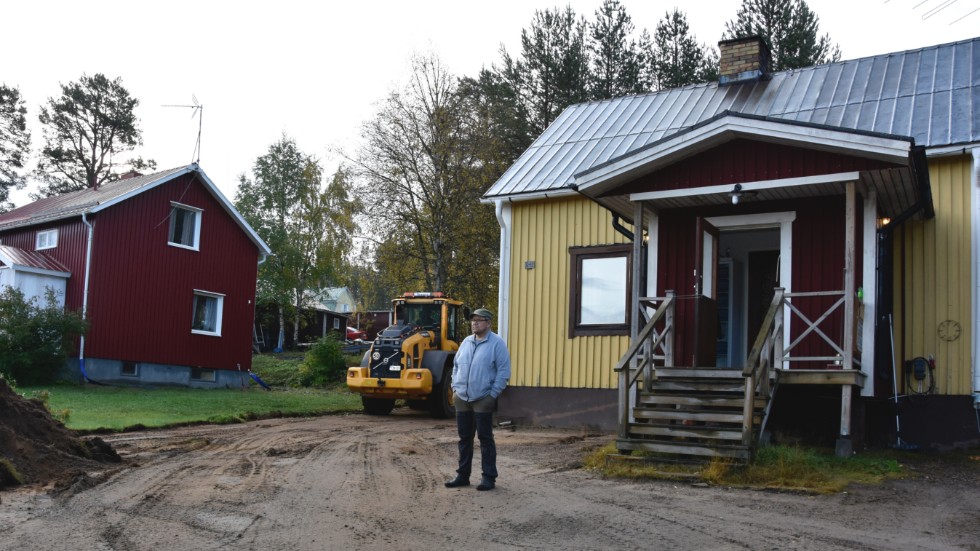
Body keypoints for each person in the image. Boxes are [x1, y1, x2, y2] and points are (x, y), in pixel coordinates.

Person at [445, 308, 510, 491]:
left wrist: (492, 394)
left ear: (488, 323)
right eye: (473, 320)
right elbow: (456, 366)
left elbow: (504, 371)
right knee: (464, 438)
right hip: (462, 398)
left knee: (485, 438)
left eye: (479, 320)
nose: (475, 323)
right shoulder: (466, 342)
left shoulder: (497, 344)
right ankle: (462, 475)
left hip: (483, 398)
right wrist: (455, 387)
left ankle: (488, 477)